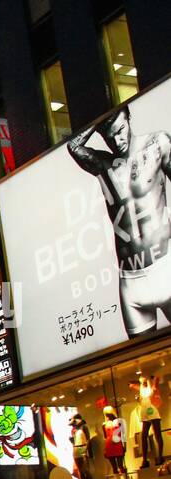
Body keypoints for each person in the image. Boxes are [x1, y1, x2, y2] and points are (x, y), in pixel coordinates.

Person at [68, 106, 171, 338]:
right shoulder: (103, 164)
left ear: (129, 120)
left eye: (121, 130)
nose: (117, 140)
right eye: (110, 136)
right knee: (145, 369)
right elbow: (73, 146)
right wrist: (101, 116)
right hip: (131, 281)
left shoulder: (158, 143)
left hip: (167, 267)